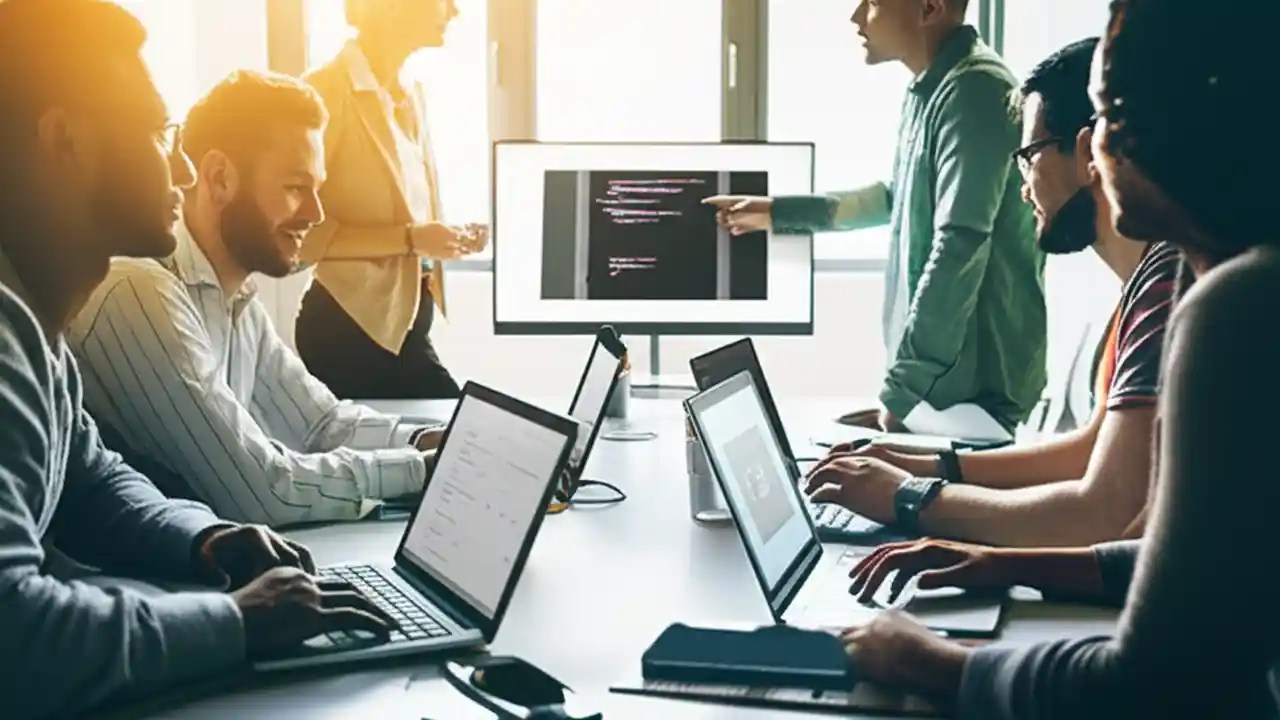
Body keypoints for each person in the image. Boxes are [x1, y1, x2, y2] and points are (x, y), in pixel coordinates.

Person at [837, 1, 1280, 715]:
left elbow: (1159, 680)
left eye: (1106, 113)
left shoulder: (1238, 307)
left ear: (1146, 128)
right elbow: (1198, 571)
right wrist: (998, 562)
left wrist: (931, 660)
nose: (1098, 144)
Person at [0, 2, 394, 716]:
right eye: (158, 134)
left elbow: (91, 482)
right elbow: (15, 636)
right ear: (65, 143)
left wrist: (204, 539)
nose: (181, 170)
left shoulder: (34, 330)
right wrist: (240, 621)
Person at [800, 38, 1181, 548]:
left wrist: (909, 497)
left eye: (1028, 157)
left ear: (1090, 151)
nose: (1022, 188)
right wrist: (920, 464)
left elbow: (1100, 513)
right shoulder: (1146, 283)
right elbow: (1088, 453)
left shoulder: (1168, 288)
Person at [69, 70, 443, 527]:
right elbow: (261, 490)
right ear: (221, 178)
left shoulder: (236, 292)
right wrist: (424, 470)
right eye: (294, 188)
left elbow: (320, 425)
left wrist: (438, 441)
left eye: (316, 190)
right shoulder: (137, 291)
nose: (315, 213)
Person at [705, 0, 1045, 437]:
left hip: (972, 397)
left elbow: (960, 245)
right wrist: (779, 212)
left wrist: (901, 392)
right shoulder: (933, 89)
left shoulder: (976, 91)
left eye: (874, 2)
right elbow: (896, 195)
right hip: (939, 390)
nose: (857, 16)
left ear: (930, 8)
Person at [296, 0, 486, 400]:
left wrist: (442, 239)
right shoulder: (323, 94)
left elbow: (404, 215)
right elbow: (300, 235)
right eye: (444, 1)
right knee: (461, 441)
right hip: (347, 330)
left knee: (454, 442)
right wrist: (412, 239)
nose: (454, 12)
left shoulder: (409, 95)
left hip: (405, 326)